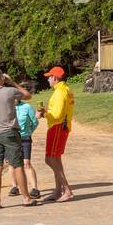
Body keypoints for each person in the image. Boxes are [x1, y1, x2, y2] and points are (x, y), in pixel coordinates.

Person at [0, 70, 36, 209]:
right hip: (10, 133)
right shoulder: (10, 91)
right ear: (2, 78)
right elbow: (28, 96)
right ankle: (26, 198)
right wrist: (12, 82)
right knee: (17, 165)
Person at [39, 65, 75, 202]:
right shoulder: (66, 89)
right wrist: (48, 109)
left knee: (50, 159)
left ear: (54, 78)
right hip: (62, 126)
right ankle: (58, 190)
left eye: (49, 77)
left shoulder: (60, 92)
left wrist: (43, 114)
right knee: (56, 159)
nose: (48, 80)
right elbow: (60, 109)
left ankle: (66, 189)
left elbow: (57, 114)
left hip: (57, 126)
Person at [9, 90, 41, 199]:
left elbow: (35, 122)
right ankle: (14, 187)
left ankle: (35, 188)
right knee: (12, 163)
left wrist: (29, 132)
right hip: (11, 139)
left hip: (25, 138)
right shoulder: (6, 107)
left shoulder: (27, 107)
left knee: (26, 163)